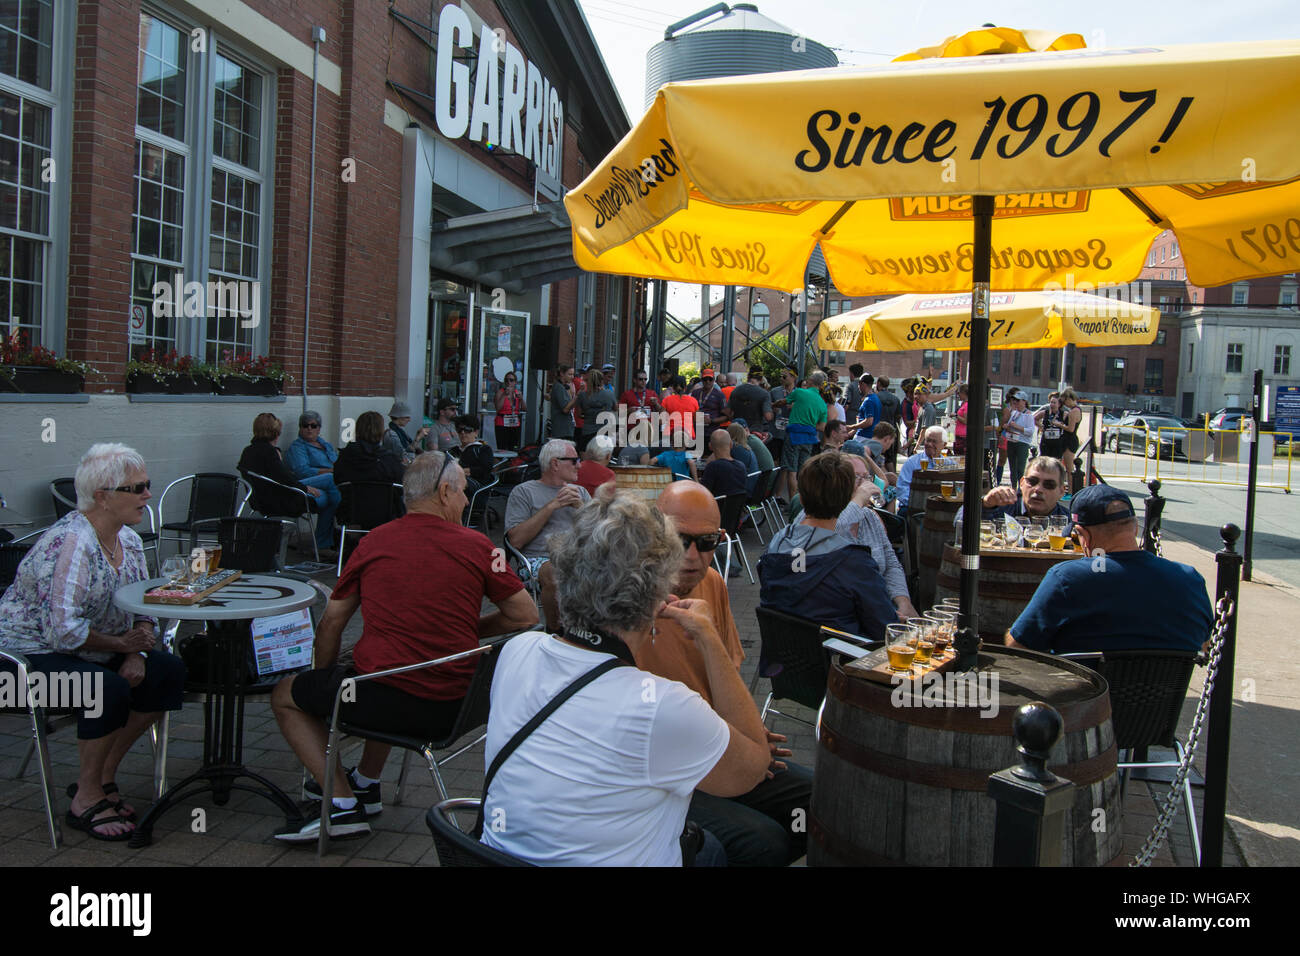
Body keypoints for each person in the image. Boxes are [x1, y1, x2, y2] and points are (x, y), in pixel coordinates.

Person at [480, 491, 770, 866]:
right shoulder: (660, 705)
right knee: (746, 846)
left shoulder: (516, 652)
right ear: (657, 592)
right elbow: (752, 767)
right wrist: (707, 635)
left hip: (499, 854)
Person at [272, 451, 538, 842]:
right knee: (381, 667)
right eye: (464, 492)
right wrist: (466, 632)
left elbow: (331, 622)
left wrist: (320, 676)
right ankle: (366, 781)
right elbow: (525, 616)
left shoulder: (374, 542)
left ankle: (343, 806)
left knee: (286, 694)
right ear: (445, 492)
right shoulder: (484, 548)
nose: (466, 501)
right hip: (459, 707)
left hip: (393, 701)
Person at [0, 443, 186, 841]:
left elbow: (143, 605)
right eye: (137, 488)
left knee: (168, 672)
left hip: (92, 649)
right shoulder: (72, 543)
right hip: (20, 663)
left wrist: (136, 649)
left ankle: (101, 777)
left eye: (148, 485)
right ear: (102, 497)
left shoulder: (129, 539)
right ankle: (85, 797)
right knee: (106, 689)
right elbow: (62, 632)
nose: (148, 495)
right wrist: (123, 648)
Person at [634, 481, 813, 866]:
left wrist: (746, 732)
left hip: (712, 748)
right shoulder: (624, 598)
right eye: (679, 539)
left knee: (818, 801)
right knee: (762, 842)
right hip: (657, 768)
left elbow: (726, 679)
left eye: (707, 541)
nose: (694, 555)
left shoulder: (711, 584)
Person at [1006, 486, 1213, 655]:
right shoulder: (1189, 578)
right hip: (1163, 703)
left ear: (1083, 535)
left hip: (1085, 702)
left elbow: (1017, 645)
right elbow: (1205, 643)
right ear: (1134, 527)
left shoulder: (1067, 578)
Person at [759, 453, 896, 640]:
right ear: (847, 500)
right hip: (841, 662)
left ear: (802, 499)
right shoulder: (855, 563)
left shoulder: (776, 545)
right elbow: (885, 630)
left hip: (780, 663)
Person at [791, 453, 917, 622]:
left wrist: (903, 601)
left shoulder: (869, 517)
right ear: (836, 483)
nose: (864, 484)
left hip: (878, 609)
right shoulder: (812, 518)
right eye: (856, 477)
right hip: (840, 621)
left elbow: (891, 562)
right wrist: (857, 501)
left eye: (867, 477)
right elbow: (823, 536)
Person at [505, 439, 591, 628]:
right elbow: (516, 540)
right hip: (539, 561)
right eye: (574, 460)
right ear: (555, 463)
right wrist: (552, 506)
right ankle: (555, 632)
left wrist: (581, 508)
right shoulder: (524, 492)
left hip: (581, 559)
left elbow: (599, 533)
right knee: (555, 571)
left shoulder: (581, 493)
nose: (579, 465)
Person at [238, 412, 336, 556]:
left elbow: (280, 478)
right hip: (281, 498)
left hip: (261, 497)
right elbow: (284, 479)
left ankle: (329, 535)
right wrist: (306, 488)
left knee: (329, 491)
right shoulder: (270, 452)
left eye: (314, 426)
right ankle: (335, 526)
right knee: (328, 491)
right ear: (275, 432)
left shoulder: (247, 451)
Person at [285, 410, 341, 551]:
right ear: (300, 428)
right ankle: (343, 514)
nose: (309, 428)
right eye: (305, 425)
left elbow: (337, 463)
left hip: (328, 486)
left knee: (328, 497)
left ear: (319, 428)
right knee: (331, 479)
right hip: (304, 483)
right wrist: (330, 471)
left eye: (313, 425)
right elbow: (302, 471)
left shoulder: (326, 445)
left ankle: (322, 545)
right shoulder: (297, 447)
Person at [956, 456, 1071, 525]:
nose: (1038, 489)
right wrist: (985, 504)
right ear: (1022, 483)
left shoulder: (1068, 521)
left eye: (1049, 484)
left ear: (1061, 491)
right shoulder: (1001, 507)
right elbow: (958, 524)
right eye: (1032, 481)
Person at [779, 370, 828, 502]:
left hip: (794, 436)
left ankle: (792, 503)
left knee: (791, 471)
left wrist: (773, 404)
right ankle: (801, 502)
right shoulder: (822, 403)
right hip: (809, 438)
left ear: (811, 381)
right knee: (802, 472)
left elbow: (783, 402)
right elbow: (822, 427)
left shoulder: (800, 392)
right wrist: (809, 425)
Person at [896, 425, 956, 517]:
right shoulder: (912, 462)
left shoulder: (949, 464)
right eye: (928, 440)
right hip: (913, 508)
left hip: (941, 509)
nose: (929, 444)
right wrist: (917, 505)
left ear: (944, 445)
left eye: (934, 441)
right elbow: (902, 489)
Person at [334, 410, 405, 487]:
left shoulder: (345, 456)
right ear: (381, 431)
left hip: (352, 498)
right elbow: (400, 483)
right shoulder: (389, 460)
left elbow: (337, 480)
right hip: (383, 498)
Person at [700, 428, 749, 498]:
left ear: (710, 446)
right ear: (731, 444)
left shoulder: (713, 467)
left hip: (717, 508)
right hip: (737, 508)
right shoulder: (741, 466)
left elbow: (703, 493)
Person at [448, 414, 495, 487]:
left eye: (467, 430)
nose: (463, 433)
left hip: (474, 486)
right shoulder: (453, 450)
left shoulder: (483, 449)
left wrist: (467, 471)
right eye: (460, 430)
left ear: (476, 432)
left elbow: (486, 469)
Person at [725, 369, 774, 437]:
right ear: (761, 379)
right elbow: (768, 416)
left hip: (737, 431)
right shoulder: (764, 394)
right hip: (755, 433)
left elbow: (727, 411)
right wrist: (772, 410)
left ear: (748, 376)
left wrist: (734, 419)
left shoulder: (736, 390)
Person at [576, 367, 614, 454]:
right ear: (601, 380)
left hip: (587, 431)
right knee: (601, 458)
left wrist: (587, 414)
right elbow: (615, 408)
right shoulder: (608, 393)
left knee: (585, 460)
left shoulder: (582, 395)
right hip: (604, 431)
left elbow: (579, 414)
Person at [1005, 393, 1036, 488]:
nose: (1015, 402)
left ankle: (1021, 488)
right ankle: (1013, 487)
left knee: (1020, 468)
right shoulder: (1014, 413)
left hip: (1022, 443)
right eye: (1014, 400)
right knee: (1012, 467)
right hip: (1012, 440)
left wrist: (1017, 427)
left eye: (1018, 400)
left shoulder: (1028, 415)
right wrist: (1007, 427)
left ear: (1024, 402)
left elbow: (1030, 431)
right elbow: (1010, 425)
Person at [691, 366, 729, 441]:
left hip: (712, 433)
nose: (708, 381)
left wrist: (712, 421)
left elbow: (727, 417)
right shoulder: (695, 393)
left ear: (714, 380)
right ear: (701, 380)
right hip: (697, 432)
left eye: (710, 379)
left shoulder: (719, 394)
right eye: (705, 379)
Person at [1058, 388, 1084, 494]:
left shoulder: (1074, 411)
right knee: (1066, 467)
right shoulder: (1074, 410)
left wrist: (1060, 425)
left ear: (1069, 399)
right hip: (1067, 439)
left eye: (1065, 401)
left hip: (1070, 439)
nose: (1065, 404)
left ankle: (1071, 491)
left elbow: (1070, 429)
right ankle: (1068, 490)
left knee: (1069, 468)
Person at [661, 375, 699, 445]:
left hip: (670, 436)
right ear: (685, 388)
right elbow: (697, 420)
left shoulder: (666, 400)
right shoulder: (694, 401)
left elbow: (661, 421)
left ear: (673, 388)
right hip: (689, 435)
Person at [493, 371, 525, 451]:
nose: (509, 382)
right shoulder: (500, 392)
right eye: (506, 380)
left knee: (513, 447)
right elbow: (498, 408)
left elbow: (524, 409)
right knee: (502, 447)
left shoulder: (517, 393)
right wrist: (504, 395)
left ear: (515, 382)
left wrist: (521, 399)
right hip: (502, 423)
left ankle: (511, 463)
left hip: (514, 423)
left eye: (511, 380)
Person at [549, 364, 578, 441]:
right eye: (570, 374)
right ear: (562, 374)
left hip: (567, 428)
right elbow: (565, 409)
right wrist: (577, 397)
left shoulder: (565, 387)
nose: (572, 377)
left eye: (573, 374)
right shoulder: (559, 387)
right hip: (562, 430)